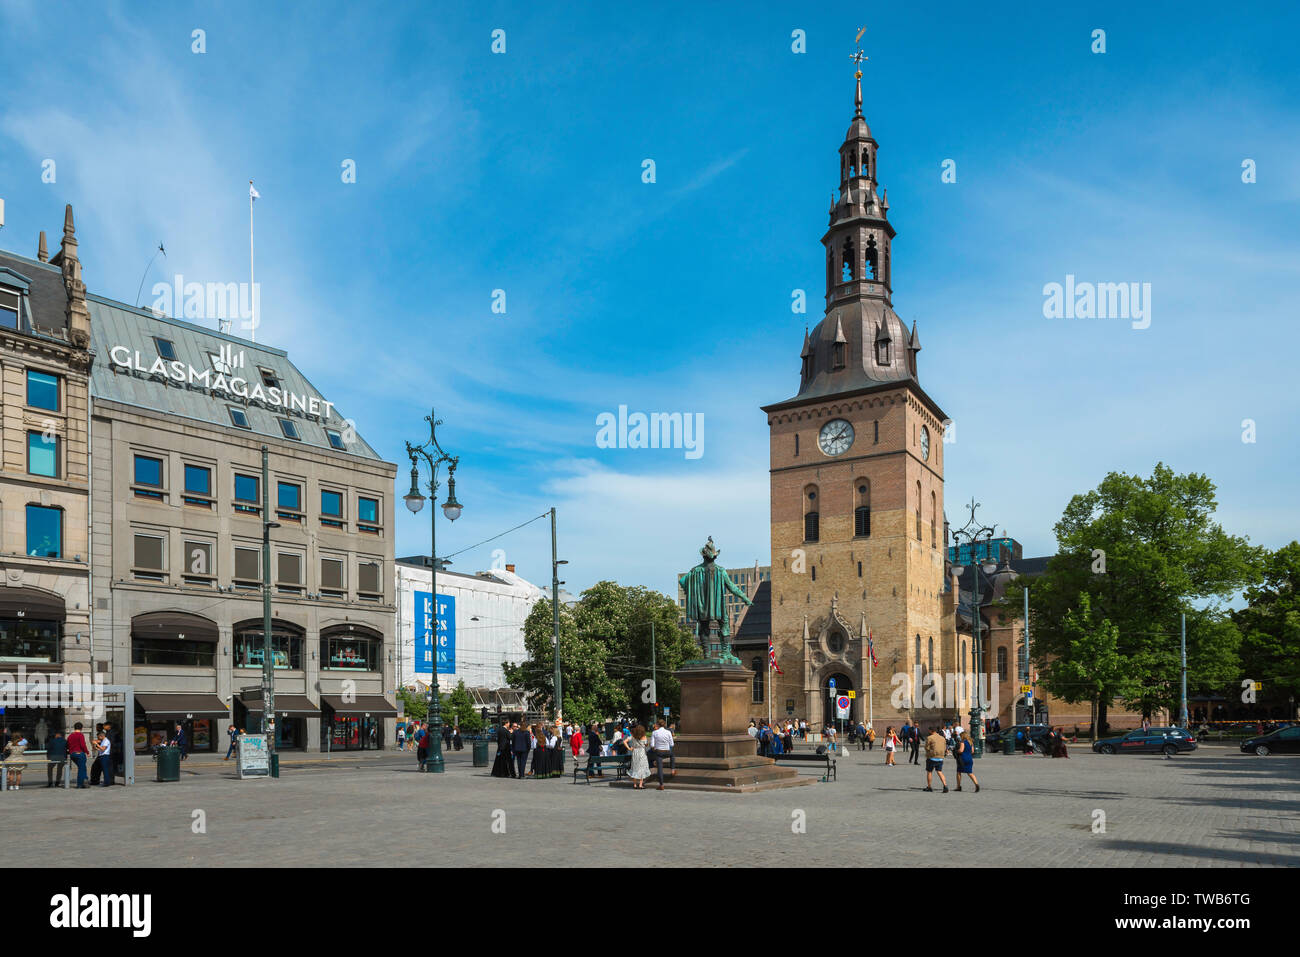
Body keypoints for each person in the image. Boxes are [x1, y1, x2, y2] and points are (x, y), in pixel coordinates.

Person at [650, 720, 675, 790]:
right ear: (664, 725)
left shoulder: (654, 732)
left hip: (658, 752)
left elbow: (652, 745)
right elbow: (672, 744)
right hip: (667, 751)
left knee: (660, 769)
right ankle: (672, 770)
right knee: (672, 755)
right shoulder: (668, 732)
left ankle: (661, 785)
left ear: (658, 725)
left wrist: (655, 749)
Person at [923, 727, 949, 793]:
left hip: (932, 757)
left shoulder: (929, 738)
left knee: (929, 772)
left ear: (931, 731)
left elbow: (927, 747)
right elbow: (945, 747)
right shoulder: (942, 738)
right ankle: (945, 785)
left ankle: (929, 787)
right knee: (939, 771)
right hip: (940, 757)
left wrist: (928, 751)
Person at [626, 724, 651, 789]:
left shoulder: (633, 736)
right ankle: (640, 785)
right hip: (642, 752)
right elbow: (646, 745)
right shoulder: (644, 736)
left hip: (635, 752)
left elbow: (624, 741)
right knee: (642, 768)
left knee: (635, 768)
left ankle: (634, 785)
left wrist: (629, 748)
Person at [67, 722, 90, 789]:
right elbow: (83, 745)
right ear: (81, 728)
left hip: (72, 754)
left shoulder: (70, 736)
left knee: (82, 767)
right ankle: (80, 783)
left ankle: (85, 780)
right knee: (81, 768)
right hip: (79, 753)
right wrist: (87, 752)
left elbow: (68, 745)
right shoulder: (80, 735)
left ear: (74, 727)